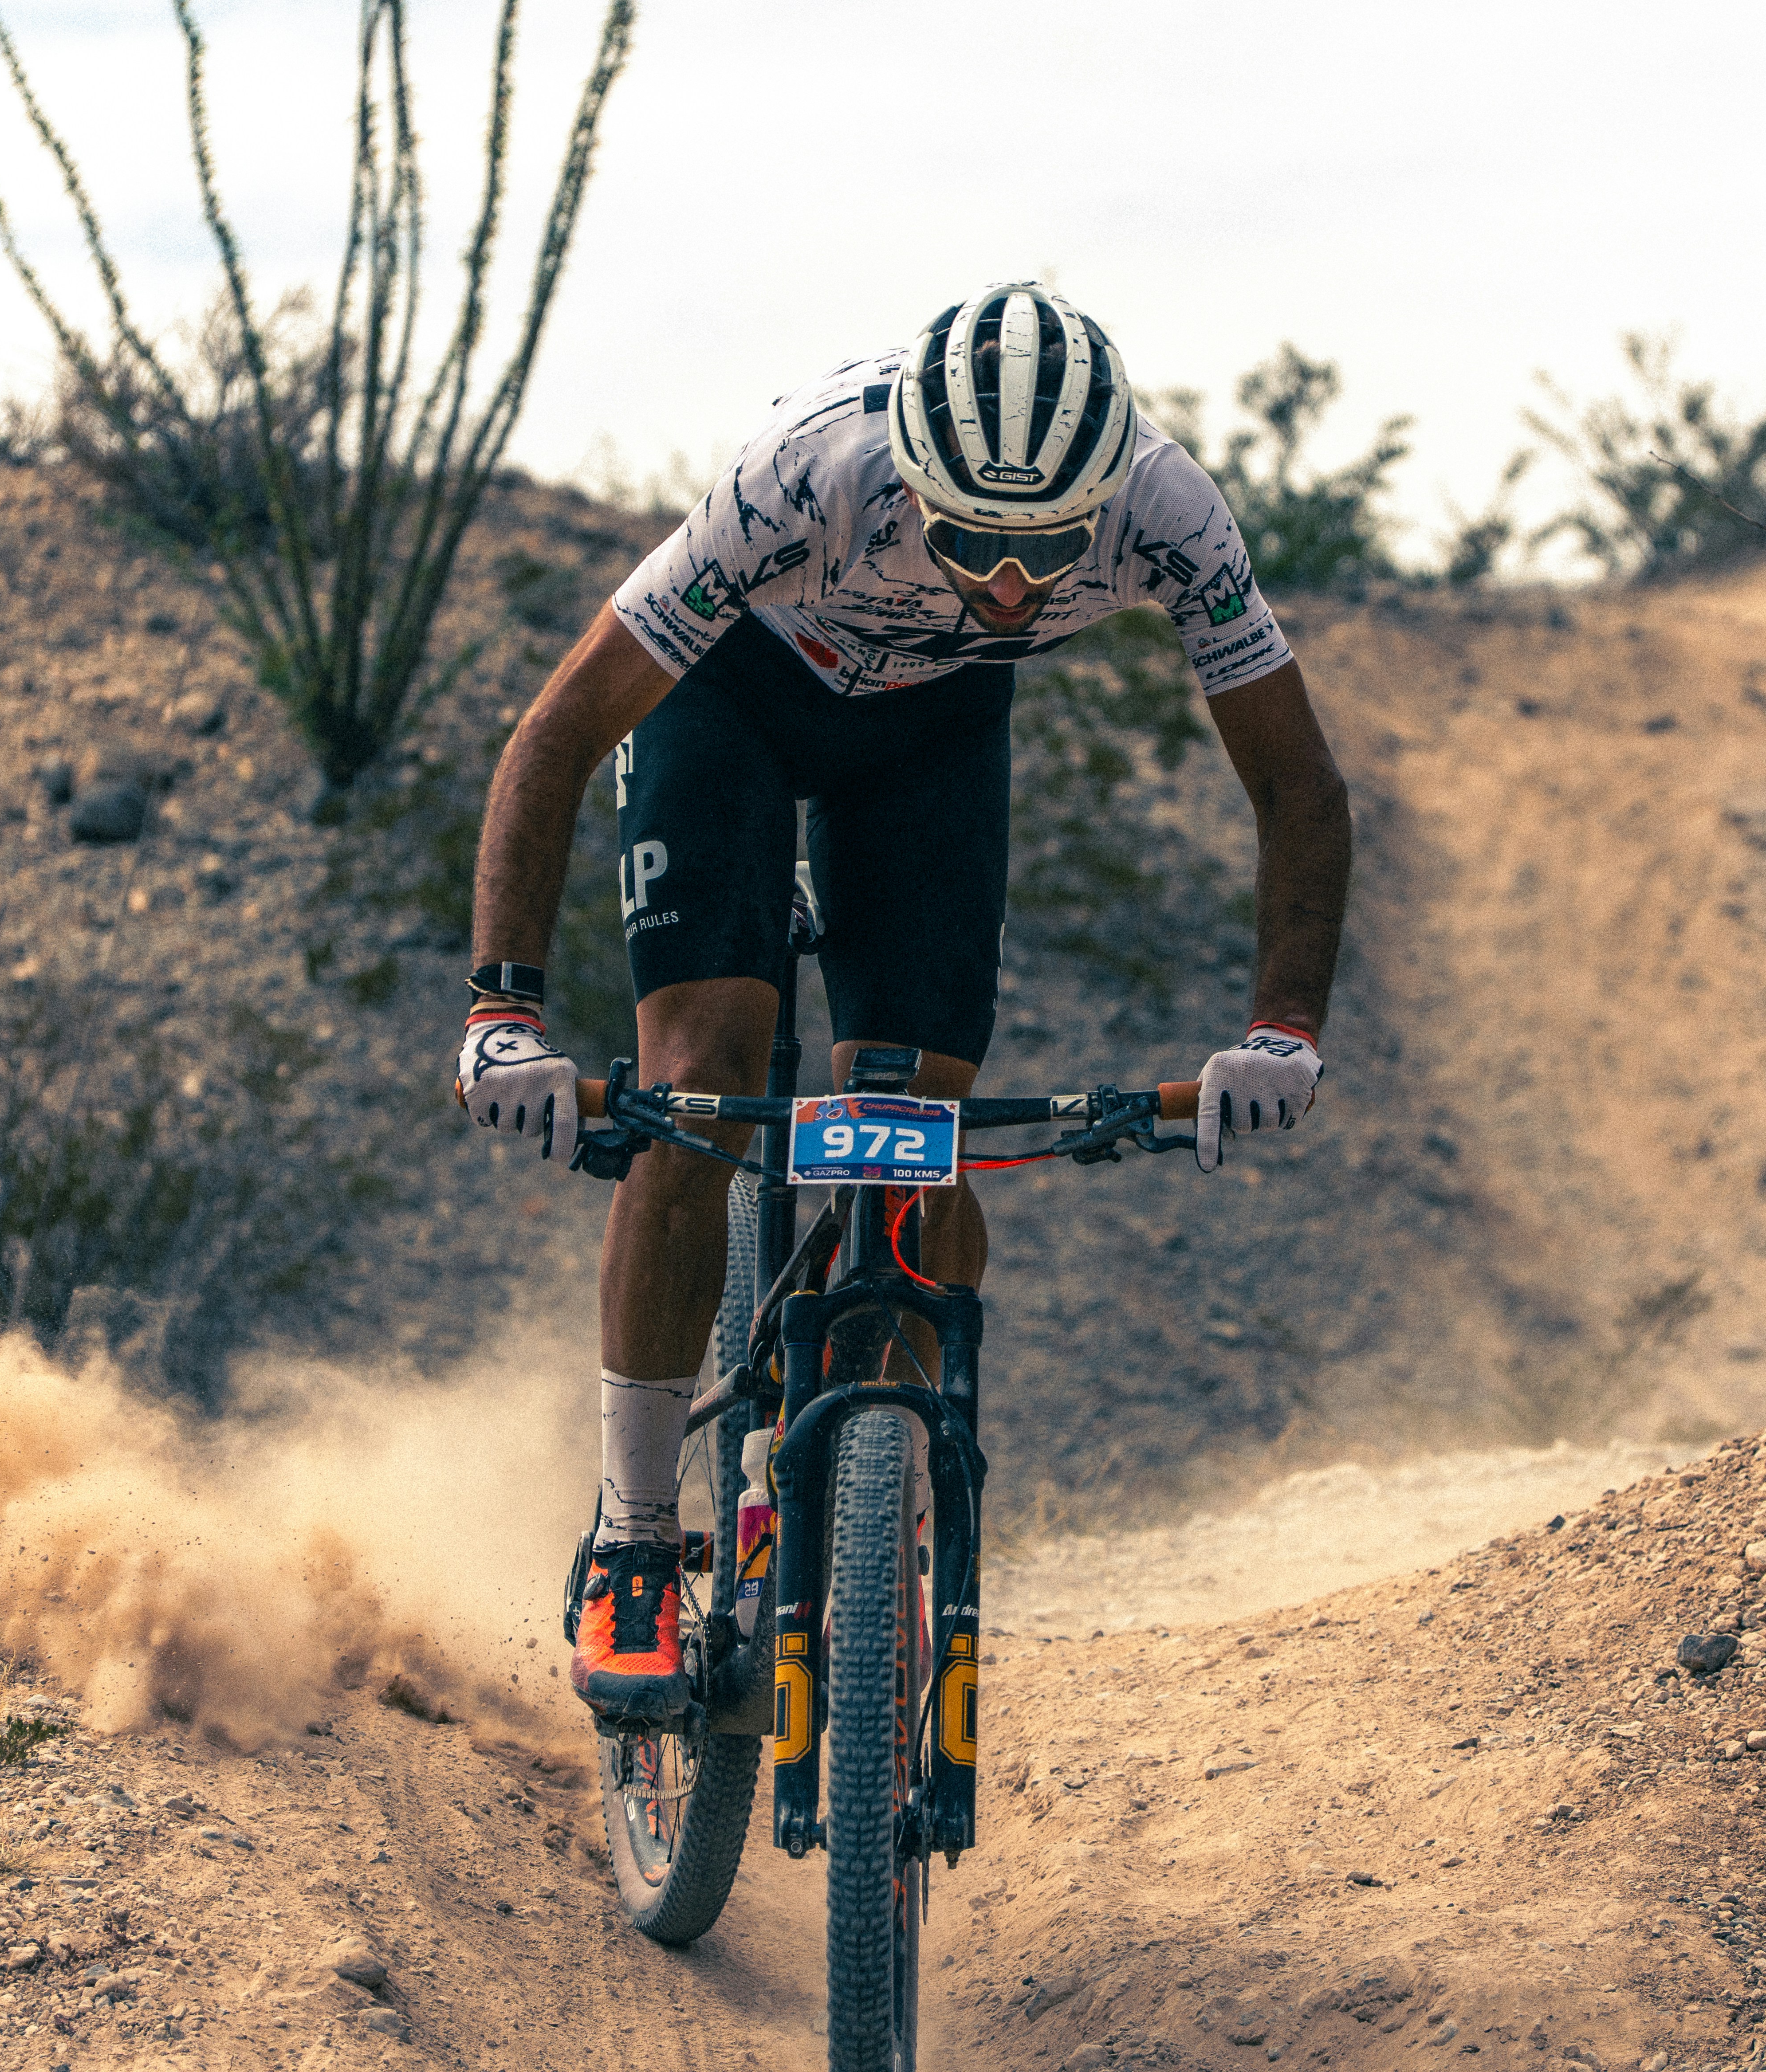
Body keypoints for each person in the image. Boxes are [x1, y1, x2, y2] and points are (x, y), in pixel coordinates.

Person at [456, 282, 1352, 1723]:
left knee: (909, 1127)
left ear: (1106, 504)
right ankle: (633, 1540)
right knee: (699, 1079)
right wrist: (504, 1011)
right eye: (971, 540)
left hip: (931, 740)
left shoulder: (1173, 513)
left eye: (1047, 552)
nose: (1007, 584)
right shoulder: (801, 478)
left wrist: (1282, 1028)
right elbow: (559, 733)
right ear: (912, 484)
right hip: (733, 704)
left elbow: (1296, 784)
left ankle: (884, 1491)